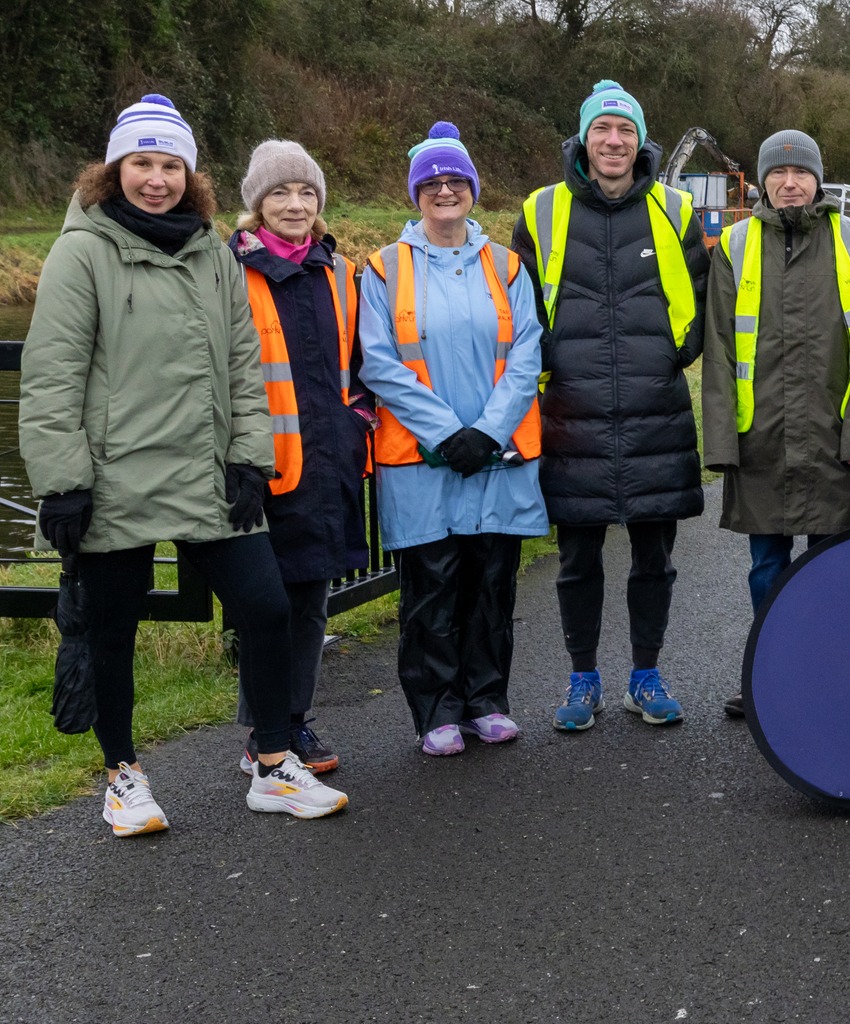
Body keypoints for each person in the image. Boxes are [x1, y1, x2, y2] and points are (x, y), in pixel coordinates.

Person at [21, 94, 347, 833]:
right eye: (142, 163)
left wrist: (249, 460)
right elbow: (51, 375)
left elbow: (244, 364)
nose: (156, 178)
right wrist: (64, 482)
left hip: (206, 474)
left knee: (265, 607)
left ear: (191, 176)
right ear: (116, 169)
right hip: (114, 478)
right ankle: (123, 777)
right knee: (112, 629)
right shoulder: (81, 251)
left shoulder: (210, 252)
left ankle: (271, 765)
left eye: (171, 165)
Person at [512, 81, 711, 733]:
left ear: (640, 140)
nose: (614, 141)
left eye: (625, 130)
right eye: (603, 129)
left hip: (657, 412)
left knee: (655, 557)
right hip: (573, 412)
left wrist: (674, 352)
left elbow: (700, 297)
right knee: (577, 559)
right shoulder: (540, 211)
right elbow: (518, 306)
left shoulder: (677, 209)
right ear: (583, 138)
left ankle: (645, 676)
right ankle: (582, 678)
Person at [359, 121, 547, 756]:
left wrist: (488, 432)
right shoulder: (384, 269)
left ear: (472, 189)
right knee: (431, 588)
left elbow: (526, 352)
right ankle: (436, 710)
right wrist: (448, 433)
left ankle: (487, 700)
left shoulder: (508, 265)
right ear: (416, 194)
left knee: (492, 584)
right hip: (422, 460)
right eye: (431, 182)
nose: (444, 191)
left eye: (455, 181)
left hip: (496, 458)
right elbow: (379, 363)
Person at [703, 129, 850, 719]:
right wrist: (724, 441)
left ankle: (831, 673)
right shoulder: (733, 244)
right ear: (761, 182)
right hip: (763, 439)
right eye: (777, 174)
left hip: (833, 437)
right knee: (766, 568)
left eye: (800, 173)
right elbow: (721, 349)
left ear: (817, 178)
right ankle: (772, 673)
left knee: (834, 567)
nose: (789, 183)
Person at [227, 140, 375, 776]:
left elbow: (362, 364)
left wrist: (357, 421)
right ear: (256, 204)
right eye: (280, 193)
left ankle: (290, 722)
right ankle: (268, 730)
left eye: (306, 193)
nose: (294, 204)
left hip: (327, 462)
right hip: (259, 470)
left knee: (311, 602)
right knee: (266, 605)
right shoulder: (230, 272)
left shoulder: (338, 271)